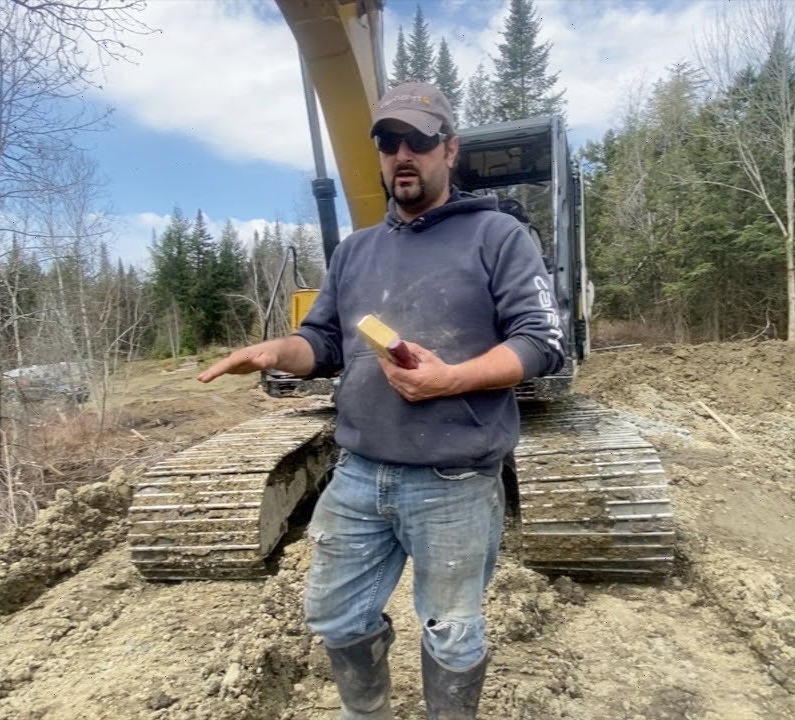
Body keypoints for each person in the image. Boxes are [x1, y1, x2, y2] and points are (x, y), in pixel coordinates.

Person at [196, 81, 564, 720]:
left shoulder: (497, 235)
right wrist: (279, 351)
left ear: (448, 150)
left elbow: (541, 341)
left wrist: (450, 379)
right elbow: (323, 342)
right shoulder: (357, 251)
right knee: (335, 615)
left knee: (452, 629)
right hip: (360, 474)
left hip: (455, 477)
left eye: (418, 142)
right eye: (389, 142)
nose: (402, 154)